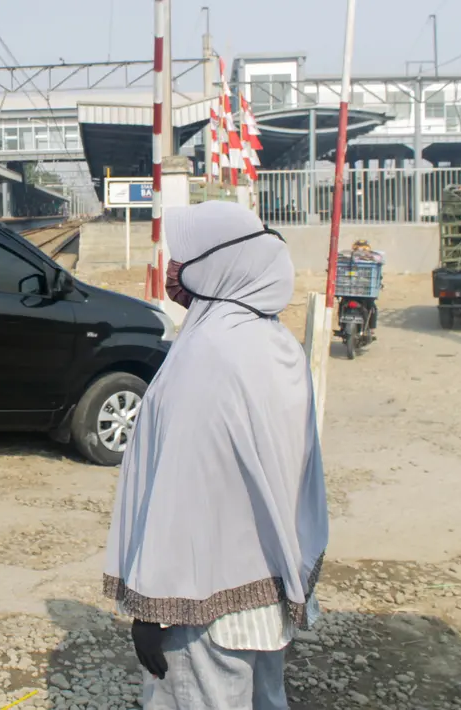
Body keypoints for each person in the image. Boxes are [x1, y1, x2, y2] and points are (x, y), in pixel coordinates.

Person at [104, 200, 329, 710]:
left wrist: (153, 608)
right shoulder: (274, 342)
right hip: (264, 590)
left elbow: (184, 491)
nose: (174, 272)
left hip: (201, 604)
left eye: (183, 259)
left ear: (220, 265)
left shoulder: (209, 355)